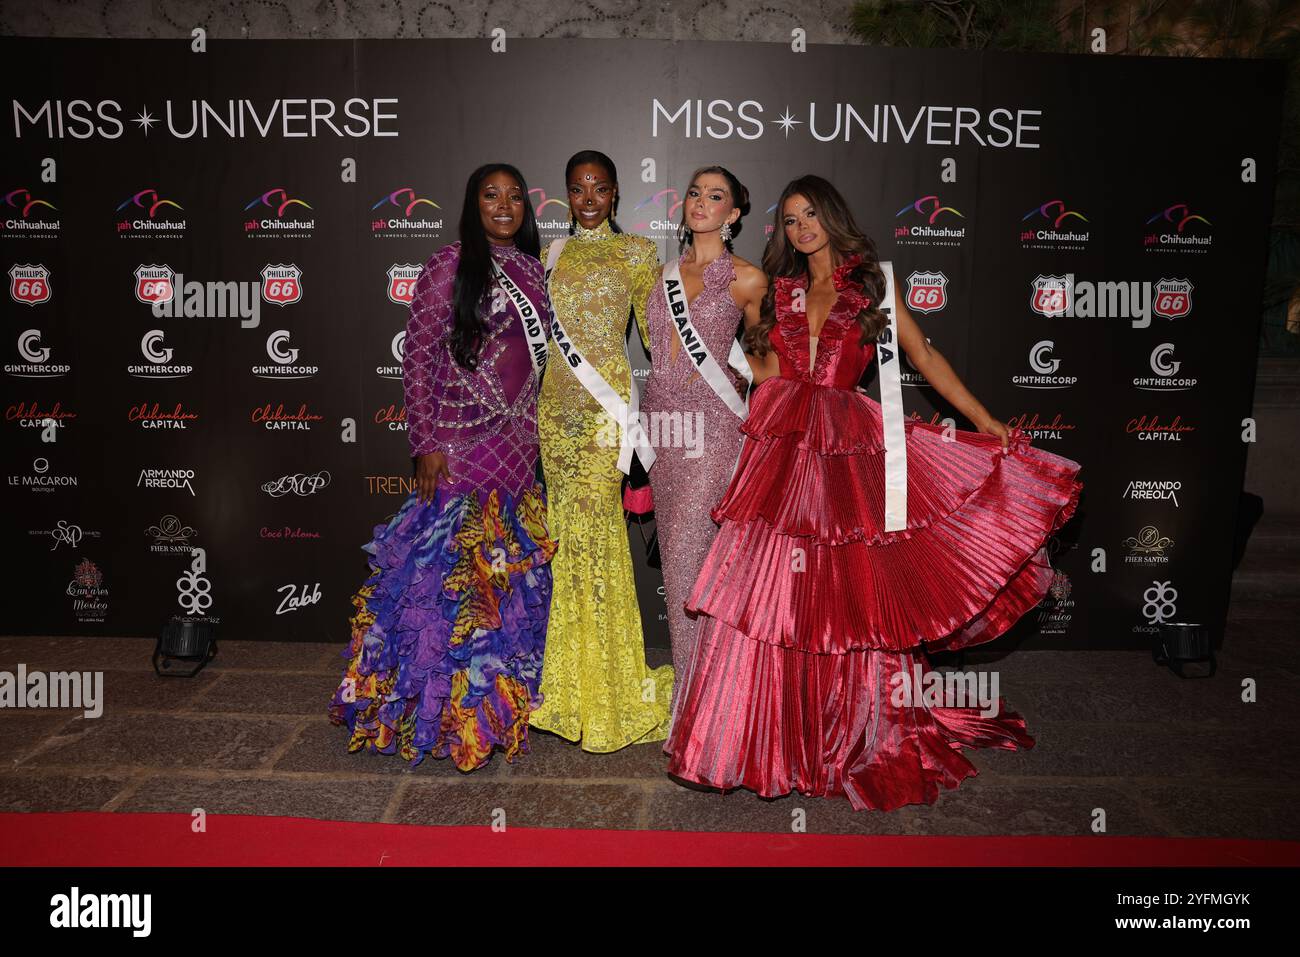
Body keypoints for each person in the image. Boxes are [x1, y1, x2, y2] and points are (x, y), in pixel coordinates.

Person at [665, 174, 1084, 810]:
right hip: (781, 445)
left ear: (834, 217)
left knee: (845, 595)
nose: (802, 229)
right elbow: (765, 369)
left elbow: (926, 357)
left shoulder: (872, 284)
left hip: (845, 446)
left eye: (812, 216)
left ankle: (855, 731)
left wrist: (986, 421)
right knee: (768, 592)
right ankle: (750, 739)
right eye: (792, 220)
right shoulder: (779, 289)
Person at [329, 163, 557, 771]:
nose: (504, 206)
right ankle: (430, 708)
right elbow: (418, 361)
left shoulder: (536, 270)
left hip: (516, 444)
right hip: (457, 440)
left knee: (502, 573)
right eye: (491, 195)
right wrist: (425, 441)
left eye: (514, 197)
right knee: (444, 576)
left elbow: (537, 365)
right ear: (472, 203)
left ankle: (493, 706)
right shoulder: (446, 265)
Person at [527, 149, 674, 752]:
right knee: (565, 538)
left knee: (599, 537)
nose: (589, 198)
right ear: (567, 194)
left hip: (603, 410)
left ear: (615, 194)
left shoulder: (638, 254)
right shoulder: (549, 256)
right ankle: (566, 681)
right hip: (553, 413)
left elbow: (657, 339)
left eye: (600, 188)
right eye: (578, 188)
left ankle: (610, 684)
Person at [639, 165, 766, 714]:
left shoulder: (748, 278)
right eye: (695, 193)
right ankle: (704, 698)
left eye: (716, 197)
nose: (701, 203)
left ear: (733, 214)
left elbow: (769, 360)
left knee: (696, 567)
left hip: (713, 432)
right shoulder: (661, 273)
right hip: (663, 433)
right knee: (679, 565)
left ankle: (703, 710)